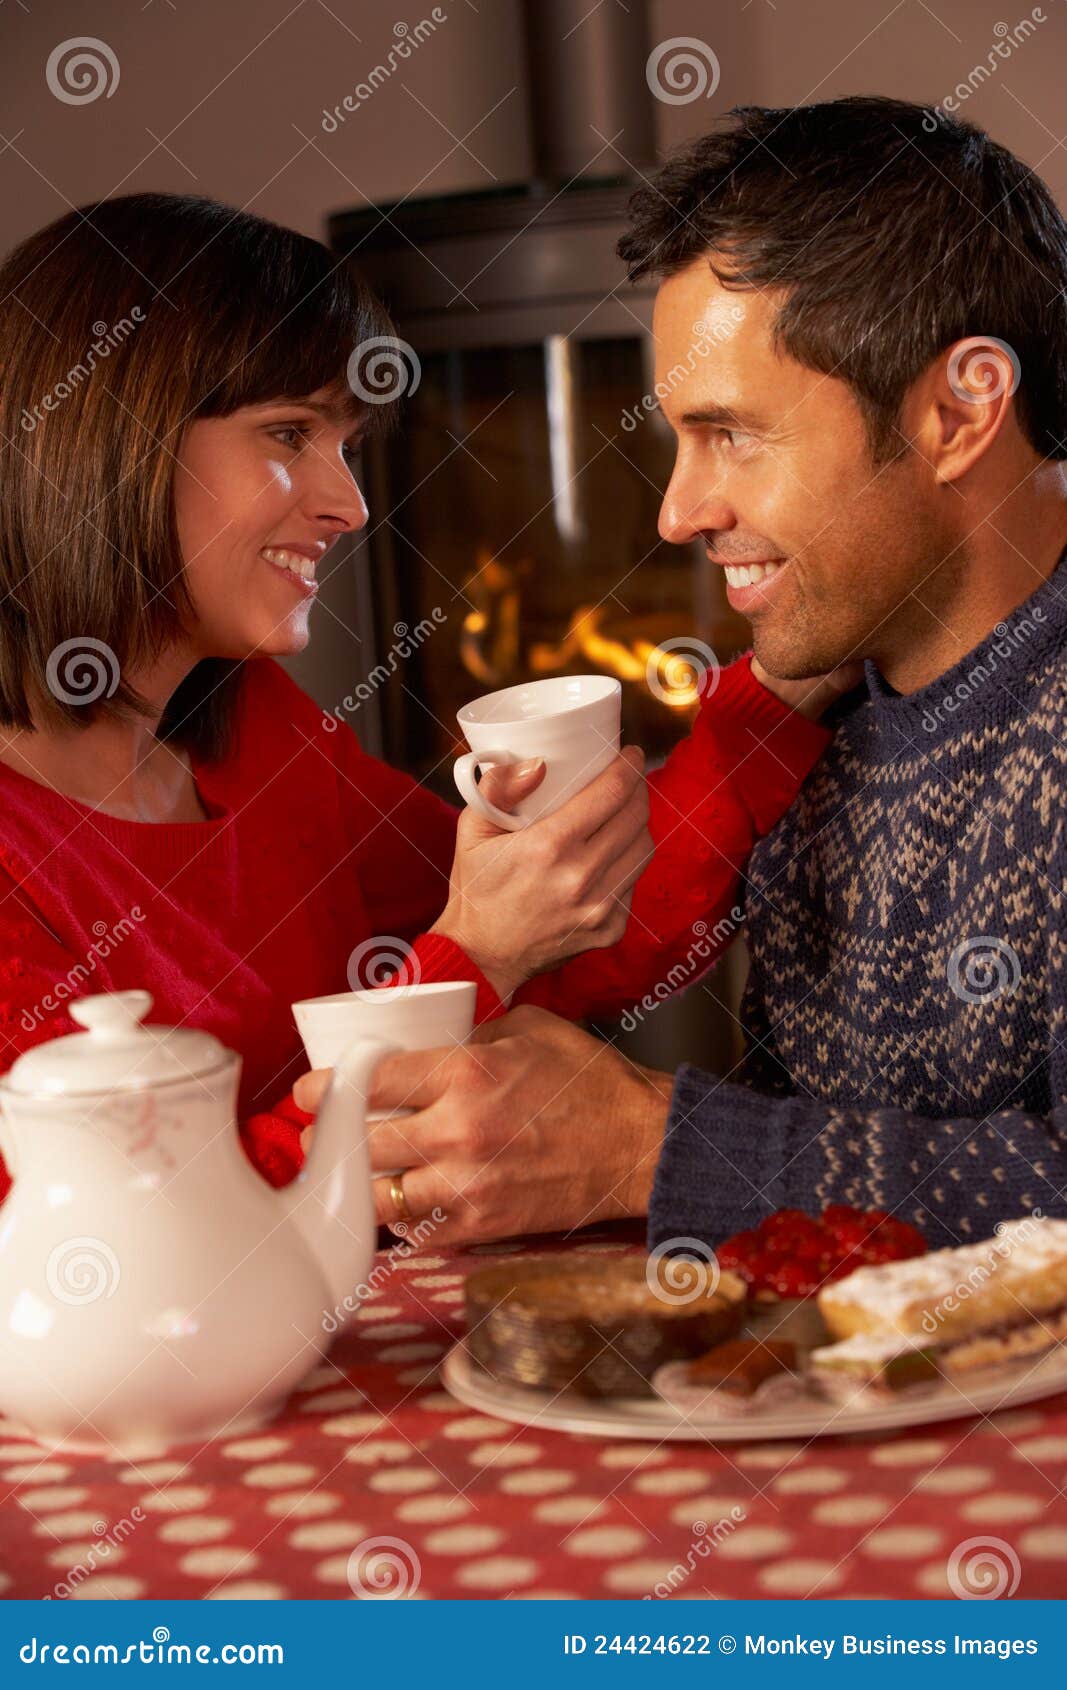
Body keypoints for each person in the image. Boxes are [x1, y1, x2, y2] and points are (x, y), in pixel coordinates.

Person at [297, 96, 1067, 1250]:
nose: (677, 512)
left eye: (733, 435)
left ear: (957, 412)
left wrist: (646, 1144)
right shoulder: (826, 727)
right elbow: (835, 1149)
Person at [0, 192, 844, 1206]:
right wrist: (476, 948)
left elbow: (561, 955)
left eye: (345, 445)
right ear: (111, 441)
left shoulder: (253, 727)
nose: (347, 504)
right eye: (287, 433)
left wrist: (781, 689)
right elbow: (133, 1246)